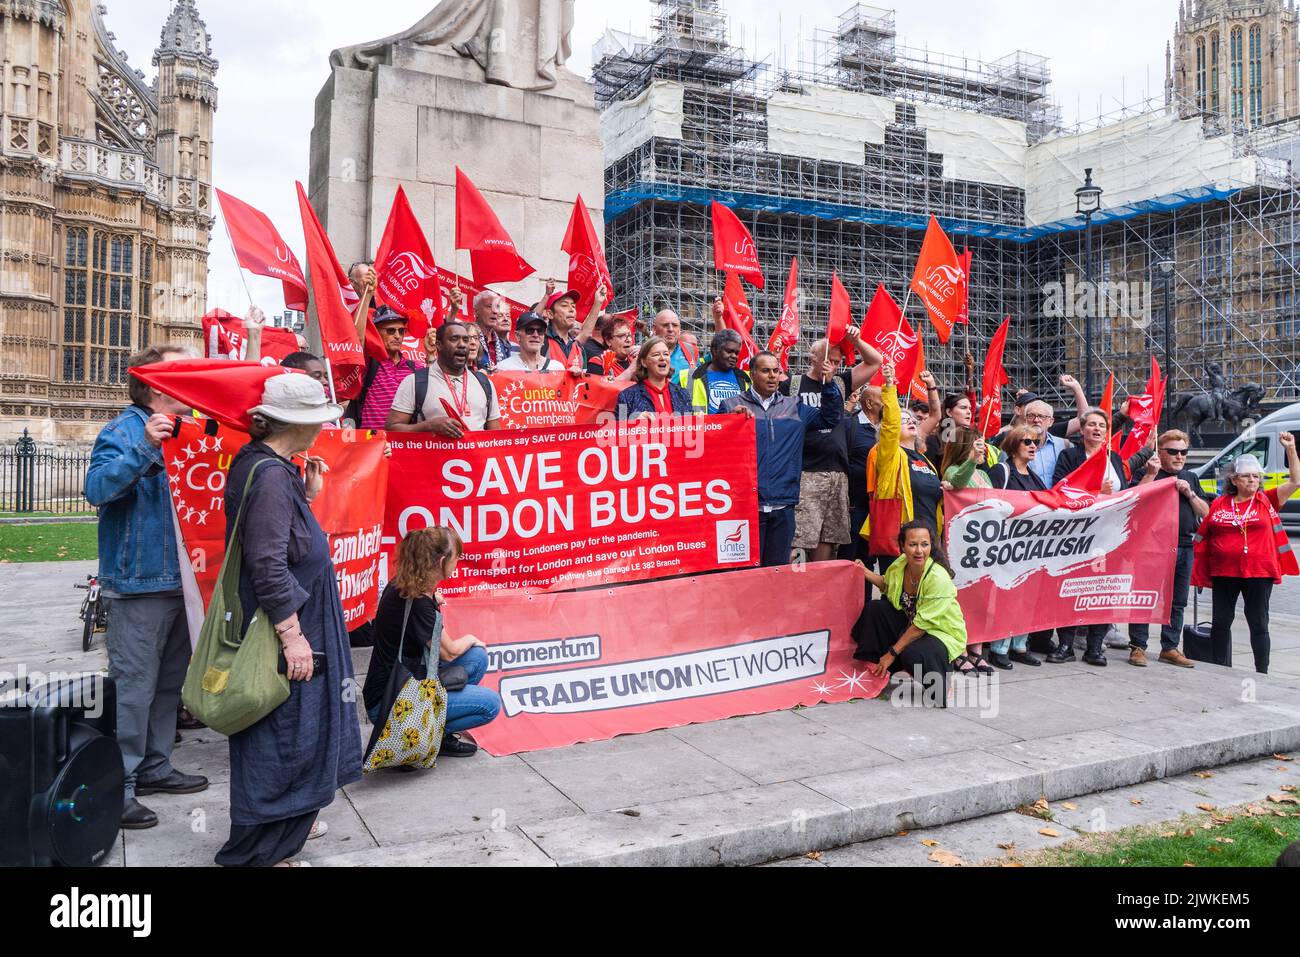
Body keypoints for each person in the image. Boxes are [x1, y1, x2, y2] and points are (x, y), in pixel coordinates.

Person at [215, 374, 362, 867]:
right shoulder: (271, 475)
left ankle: (281, 839)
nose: (323, 428)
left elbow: (286, 544)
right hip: (291, 622)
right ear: (296, 424)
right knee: (287, 731)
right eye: (318, 419)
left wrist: (309, 496)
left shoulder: (273, 469)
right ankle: (264, 851)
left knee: (297, 729)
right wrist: (292, 636)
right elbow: (267, 562)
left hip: (299, 613)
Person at [84, 345, 210, 831]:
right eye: (184, 374)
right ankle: (119, 786)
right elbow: (97, 491)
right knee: (133, 690)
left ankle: (155, 767)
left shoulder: (192, 429)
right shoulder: (123, 431)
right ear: (157, 388)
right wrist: (145, 450)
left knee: (166, 685)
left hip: (180, 580)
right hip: (137, 583)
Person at [363, 527, 501, 759]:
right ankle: (417, 737)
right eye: (456, 559)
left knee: (477, 658)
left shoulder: (403, 586)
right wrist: (472, 638)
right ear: (441, 560)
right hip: (391, 705)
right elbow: (450, 652)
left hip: (398, 684)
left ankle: (432, 733)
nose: (456, 565)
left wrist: (432, 602)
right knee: (490, 704)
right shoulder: (420, 604)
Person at [1048, 409, 1156, 666]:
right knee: (1072, 588)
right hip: (1078, 536)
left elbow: (1125, 494)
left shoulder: (1114, 458)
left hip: (1109, 537)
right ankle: (1066, 644)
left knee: (1103, 590)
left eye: (1101, 425)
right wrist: (1094, 491)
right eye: (1091, 425)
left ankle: (1095, 647)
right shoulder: (1070, 455)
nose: (1096, 429)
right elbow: (1058, 489)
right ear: (1082, 430)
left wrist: (1150, 476)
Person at [1191, 435, 1300, 674]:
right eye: (1247, 476)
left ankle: (1262, 671)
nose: (1252, 480)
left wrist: (1290, 449)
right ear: (1234, 479)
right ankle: (1220, 667)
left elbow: (1294, 481)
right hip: (1224, 572)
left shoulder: (1266, 500)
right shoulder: (1221, 503)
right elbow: (1204, 533)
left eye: (1256, 476)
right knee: (1221, 622)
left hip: (1259, 573)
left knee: (1258, 623)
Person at [723, 351, 842, 567]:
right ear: (752, 374)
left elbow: (830, 418)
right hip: (746, 506)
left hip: (783, 504)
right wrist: (729, 422)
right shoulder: (731, 405)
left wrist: (829, 385)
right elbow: (718, 447)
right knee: (746, 574)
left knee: (776, 572)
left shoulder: (794, 406)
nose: (772, 376)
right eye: (765, 370)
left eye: (776, 371)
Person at [785, 333, 884, 563]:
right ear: (814, 358)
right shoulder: (793, 385)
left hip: (838, 472)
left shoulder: (840, 383)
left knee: (828, 536)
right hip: (806, 471)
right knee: (800, 536)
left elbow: (875, 361)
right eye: (829, 358)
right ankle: (796, 582)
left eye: (838, 361)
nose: (833, 364)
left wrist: (857, 340)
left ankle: (819, 586)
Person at [852, 521, 966, 705]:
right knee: (875, 609)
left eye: (924, 544)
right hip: (911, 623)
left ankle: (943, 674)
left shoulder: (938, 578)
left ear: (931, 545)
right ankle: (875, 669)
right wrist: (863, 571)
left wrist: (891, 654)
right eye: (913, 545)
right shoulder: (900, 564)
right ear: (903, 546)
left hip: (939, 632)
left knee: (912, 652)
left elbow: (920, 627)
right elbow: (887, 584)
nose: (919, 550)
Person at [1127, 429, 1211, 668]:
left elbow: (1205, 513)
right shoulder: (1148, 471)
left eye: (1183, 452)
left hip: (1183, 546)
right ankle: (1138, 646)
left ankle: (1170, 647)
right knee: (1144, 597)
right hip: (1151, 547)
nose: (1179, 456)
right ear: (1160, 452)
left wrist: (1190, 493)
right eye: (1173, 451)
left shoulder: (1191, 477)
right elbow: (1132, 501)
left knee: (1177, 600)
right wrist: (1151, 476)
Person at [864, 362, 945, 572]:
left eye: (911, 419)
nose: (909, 421)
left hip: (928, 539)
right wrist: (889, 387)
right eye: (902, 420)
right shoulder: (889, 453)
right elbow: (890, 426)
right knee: (898, 595)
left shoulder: (924, 459)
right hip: (899, 538)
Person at [387, 321, 502, 434]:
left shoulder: (484, 383)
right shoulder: (414, 382)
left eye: (465, 340)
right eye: (454, 339)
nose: (462, 344)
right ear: (439, 345)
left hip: (476, 453)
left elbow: (496, 436)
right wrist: (429, 426)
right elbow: (392, 429)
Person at [350, 306, 420, 430]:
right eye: (391, 331)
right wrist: (367, 296)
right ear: (376, 332)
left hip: (404, 443)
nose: (397, 336)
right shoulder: (369, 363)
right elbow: (357, 340)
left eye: (401, 331)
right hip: (372, 441)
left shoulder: (415, 368)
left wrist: (431, 355)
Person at [840, 386, 882, 564]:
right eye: (883, 399)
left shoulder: (889, 429)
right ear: (870, 403)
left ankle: (865, 593)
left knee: (869, 560)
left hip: (880, 506)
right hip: (855, 506)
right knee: (850, 557)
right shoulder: (851, 425)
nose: (888, 402)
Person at [616, 336, 693, 419]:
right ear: (644, 362)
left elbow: (690, 428)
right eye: (656, 355)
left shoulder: (683, 394)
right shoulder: (626, 396)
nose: (662, 358)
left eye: (666, 354)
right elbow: (617, 429)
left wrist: (698, 421)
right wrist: (633, 423)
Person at [678, 329, 751, 413]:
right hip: (703, 426)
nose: (734, 356)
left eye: (736, 353)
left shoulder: (747, 379)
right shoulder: (687, 377)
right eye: (729, 351)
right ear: (715, 350)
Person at [542, 287, 601, 366]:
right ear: (550, 314)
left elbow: (586, 332)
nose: (571, 310)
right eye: (564, 305)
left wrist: (598, 302)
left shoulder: (577, 347)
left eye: (573, 306)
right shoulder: (540, 342)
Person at [497, 311, 563, 372]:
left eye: (540, 331)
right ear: (517, 336)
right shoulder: (504, 368)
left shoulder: (556, 368)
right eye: (530, 330)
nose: (536, 335)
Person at [470, 290, 514, 371]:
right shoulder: (468, 338)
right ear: (476, 311)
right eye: (489, 306)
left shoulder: (503, 345)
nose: (494, 311)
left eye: (497, 307)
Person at [586, 313, 636, 379]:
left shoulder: (635, 360)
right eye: (621, 336)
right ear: (608, 341)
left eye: (629, 335)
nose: (628, 340)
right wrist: (631, 370)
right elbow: (603, 388)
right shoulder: (598, 363)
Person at [653, 308, 698, 375]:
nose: (671, 329)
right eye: (665, 325)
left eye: (675, 325)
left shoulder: (691, 350)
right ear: (654, 329)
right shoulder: (645, 353)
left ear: (679, 330)